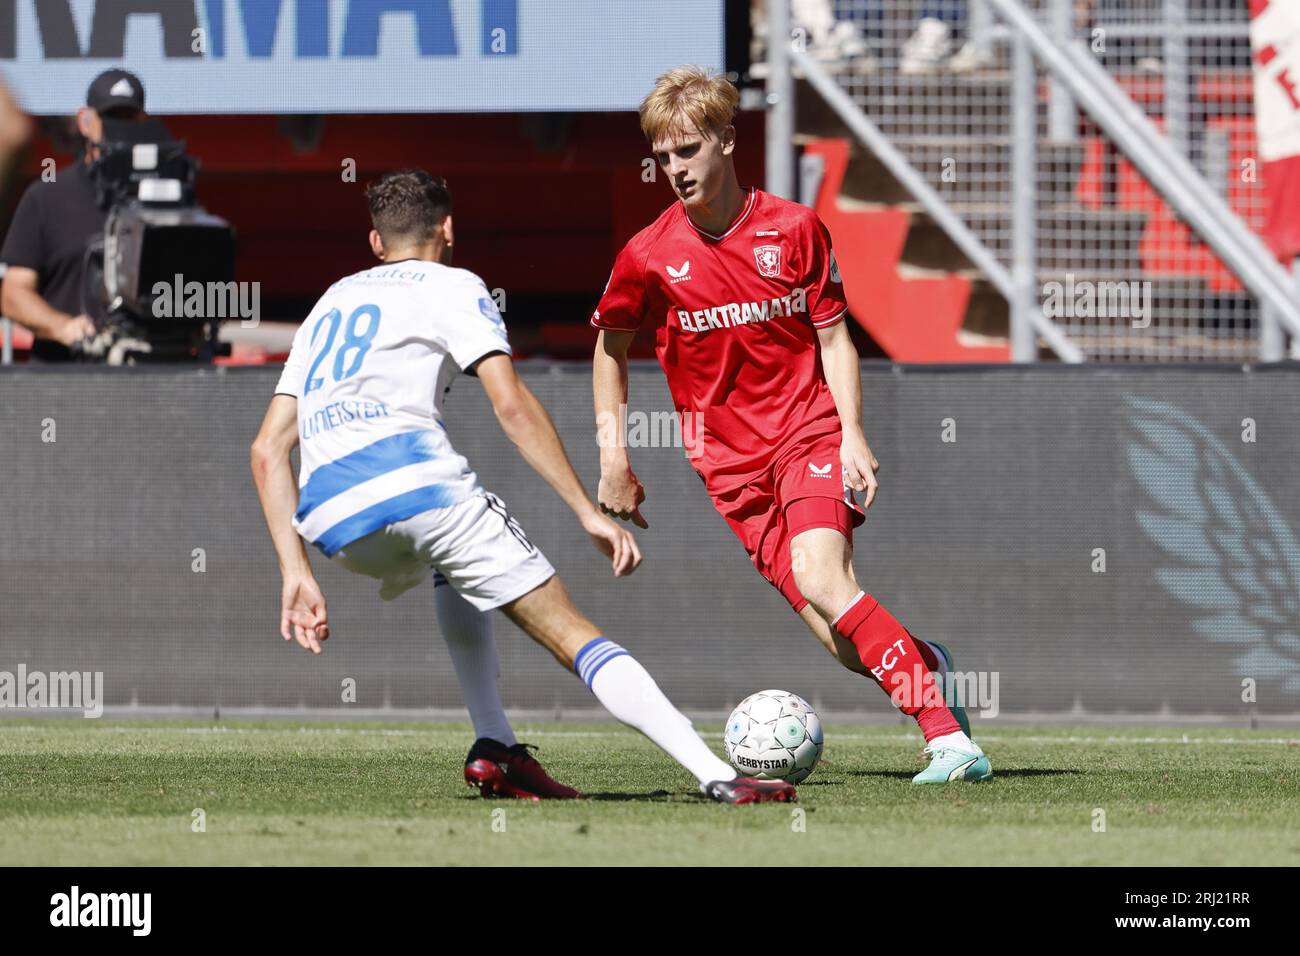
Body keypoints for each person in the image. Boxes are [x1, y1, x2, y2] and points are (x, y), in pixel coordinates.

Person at [250, 169, 795, 805]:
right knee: (570, 633)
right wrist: (583, 510)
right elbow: (510, 405)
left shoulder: (330, 302)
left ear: (375, 242)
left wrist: (296, 573)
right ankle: (718, 775)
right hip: (421, 491)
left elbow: (266, 451)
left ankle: (495, 746)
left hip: (335, 526)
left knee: (448, 568)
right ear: (448, 229)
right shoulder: (453, 284)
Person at [591, 67, 992, 784]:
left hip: (805, 436)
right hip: (730, 471)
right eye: (663, 157)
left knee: (821, 574)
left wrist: (852, 433)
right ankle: (926, 664)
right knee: (840, 638)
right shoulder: (647, 255)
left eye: (687, 150)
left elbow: (836, 339)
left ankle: (949, 741)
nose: (675, 170)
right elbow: (609, 348)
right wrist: (613, 458)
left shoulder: (795, 229)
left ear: (726, 140)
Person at [0, 69, 148, 362]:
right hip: (64, 378)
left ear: (144, 123)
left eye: (128, 118)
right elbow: (12, 294)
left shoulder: (165, 197)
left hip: (146, 376)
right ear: (86, 121)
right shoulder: (46, 196)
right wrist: (63, 327)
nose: (120, 128)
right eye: (111, 117)